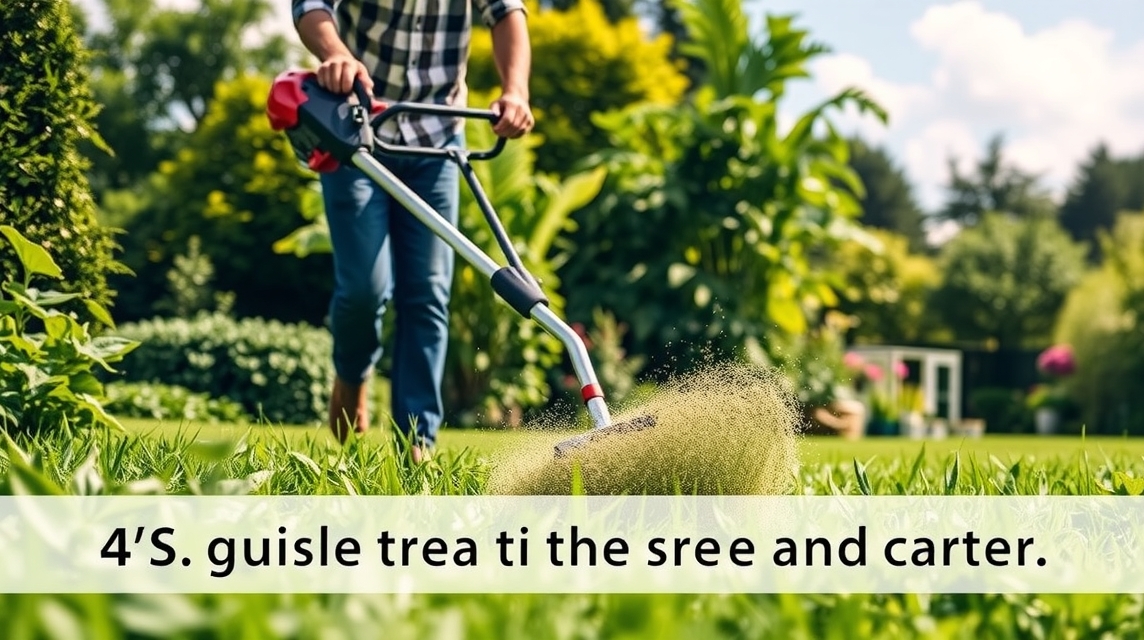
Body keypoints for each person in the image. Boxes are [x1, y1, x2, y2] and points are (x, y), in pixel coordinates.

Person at [291, 0, 535, 462]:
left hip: (437, 137)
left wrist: (516, 91)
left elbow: (507, 12)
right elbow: (311, 4)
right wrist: (335, 52)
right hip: (356, 129)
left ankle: (416, 444)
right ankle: (352, 371)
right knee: (365, 285)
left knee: (427, 293)